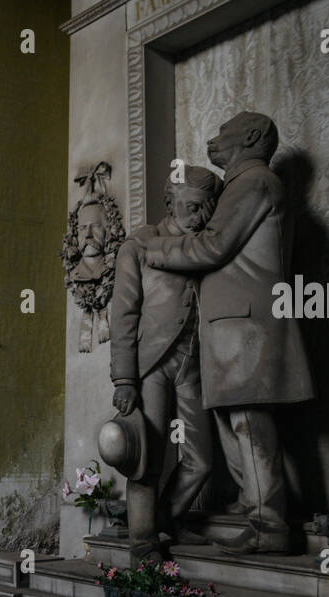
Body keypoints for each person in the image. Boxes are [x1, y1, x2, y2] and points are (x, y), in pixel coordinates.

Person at [142, 111, 315, 555]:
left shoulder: (252, 182)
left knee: (250, 424)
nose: (214, 141)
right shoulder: (246, 186)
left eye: (224, 133)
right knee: (235, 423)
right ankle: (252, 504)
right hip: (233, 329)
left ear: (252, 137)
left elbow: (212, 246)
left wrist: (153, 250)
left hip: (246, 328)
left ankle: (267, 524)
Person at [106, 164, 221, 562]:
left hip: (194, 364)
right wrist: (124, 378)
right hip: (150, 365)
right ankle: (142, 542)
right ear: (170, 204)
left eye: (206, 208)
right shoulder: (139, 245)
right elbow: (122, 313)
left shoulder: (209, 246)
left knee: (202, 461)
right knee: (147, 460)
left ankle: (165, 520)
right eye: (192, 207)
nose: (199, 217)